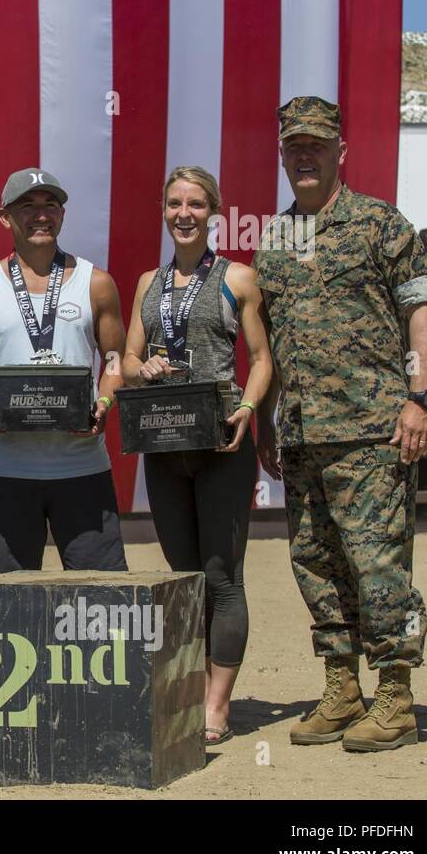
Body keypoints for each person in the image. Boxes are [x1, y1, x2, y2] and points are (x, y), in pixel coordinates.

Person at [255, 96, 427, 752]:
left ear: (341, 152)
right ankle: (341, 687)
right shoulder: (275, 236)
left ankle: (396, 694)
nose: (304, 156)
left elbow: (422, 313)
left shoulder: (381, 225)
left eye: (316, 145)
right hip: (302, 433)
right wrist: (265, 419)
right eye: (293, 147)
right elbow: (269, 338)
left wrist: (420, 396)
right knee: (316, 565)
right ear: (282, 156)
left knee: (379, 566)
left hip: (374, 431)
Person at [120, 166, 272, 745]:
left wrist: (250, 407)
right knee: (183, 577)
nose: (185, 213)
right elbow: (128, 362)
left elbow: (260, 357)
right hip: (164, 444)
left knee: (222, 577)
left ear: (214, 212)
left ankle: (216, 702)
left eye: (197, 204)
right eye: (176, 203)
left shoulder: (237, 277)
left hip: (221, 442)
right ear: (164, 211)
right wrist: (144, 367)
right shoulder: (146, 284)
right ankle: (185, 687)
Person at [0, 168, 128, 575]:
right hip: (8, 468)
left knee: (101, 596)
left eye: (50, 205)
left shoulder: (96, 282)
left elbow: (116, 361)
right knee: (15, 600)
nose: (41, 215)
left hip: (82, 466)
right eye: (28, 207)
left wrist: (105, 401)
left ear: (62, 214)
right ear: (5, 217)